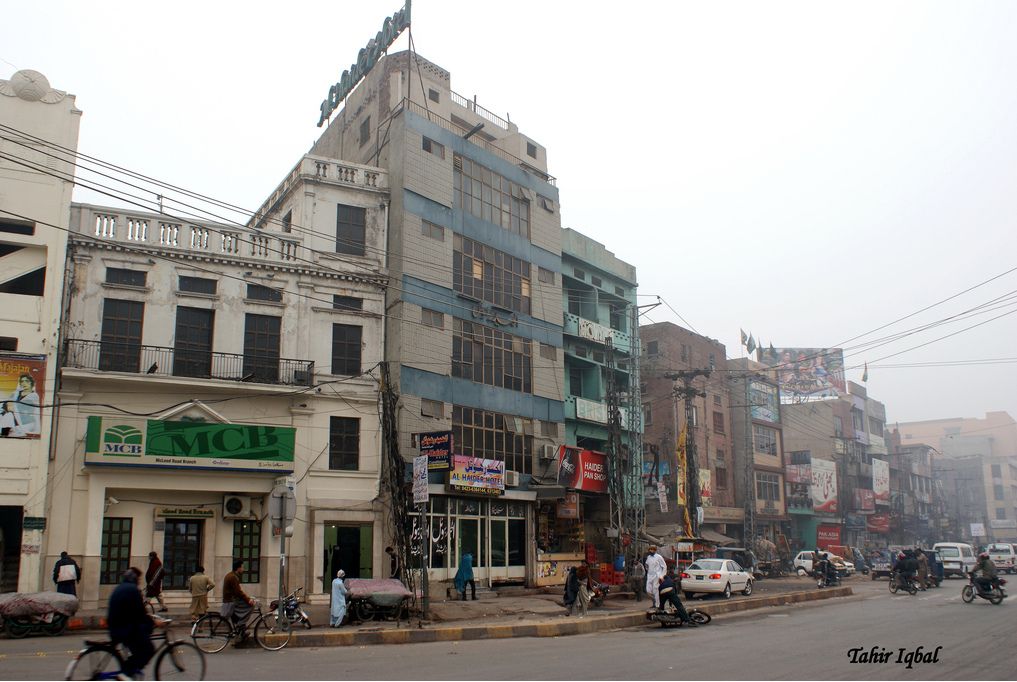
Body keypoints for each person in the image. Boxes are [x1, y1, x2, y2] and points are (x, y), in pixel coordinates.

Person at [108, 568, 157, 680]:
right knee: (147, 649)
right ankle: (126, 673)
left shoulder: (120, 587)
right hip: (124, 629)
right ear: (134, 578)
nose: (139, 581)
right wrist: (153, 622)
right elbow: (140, 613)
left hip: (116, 627)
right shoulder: (132, 590)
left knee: (137, 650)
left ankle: (129, 671)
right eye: (139, 578)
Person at [222, 559, 255, 636]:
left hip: (230, 599)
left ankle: (240, 627)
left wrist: (247, 598)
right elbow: (238, 592)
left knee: (244, 604)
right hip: (231, 600)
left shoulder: (230, 575)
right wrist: (248, 600)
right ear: (238, 568)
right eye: (242, 567)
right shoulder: (233, 577)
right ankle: (241, 624)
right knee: (251, 606)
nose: (243, 569)